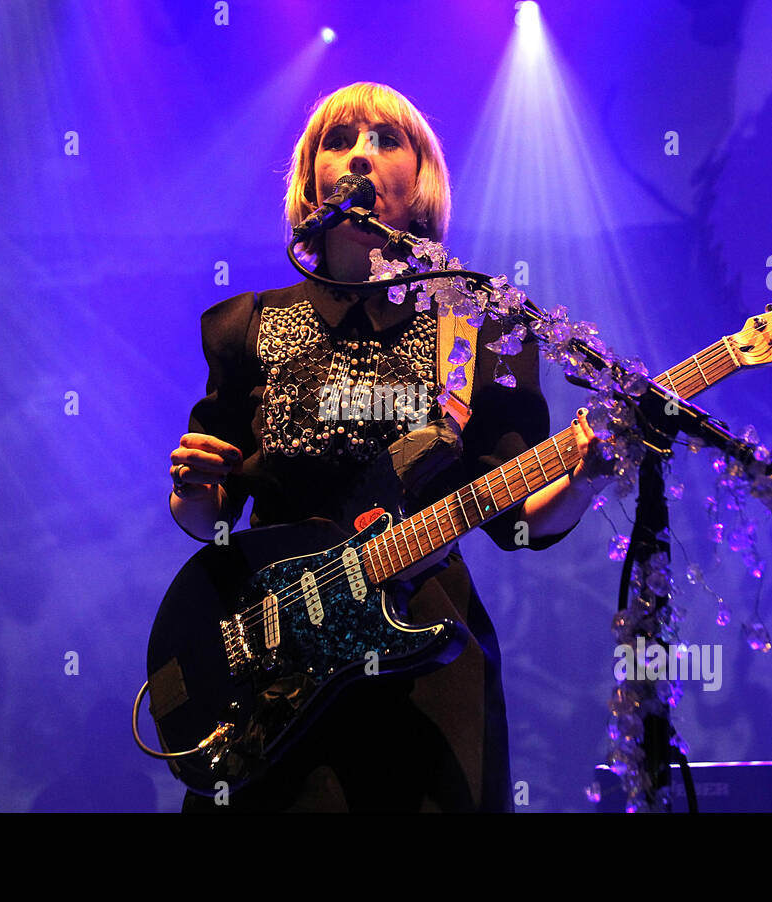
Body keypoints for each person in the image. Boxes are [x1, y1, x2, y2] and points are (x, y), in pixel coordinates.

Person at [167, 82, 607, 812]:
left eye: (386, 139)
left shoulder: (478, 327)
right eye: (340, 140)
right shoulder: (247, 324)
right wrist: (192, 492)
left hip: (426, 659)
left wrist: (586, 480)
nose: (361, 155)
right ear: (310, 179)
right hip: (277, 663)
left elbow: (519, 519)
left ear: (421, 176)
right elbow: (209, 522)